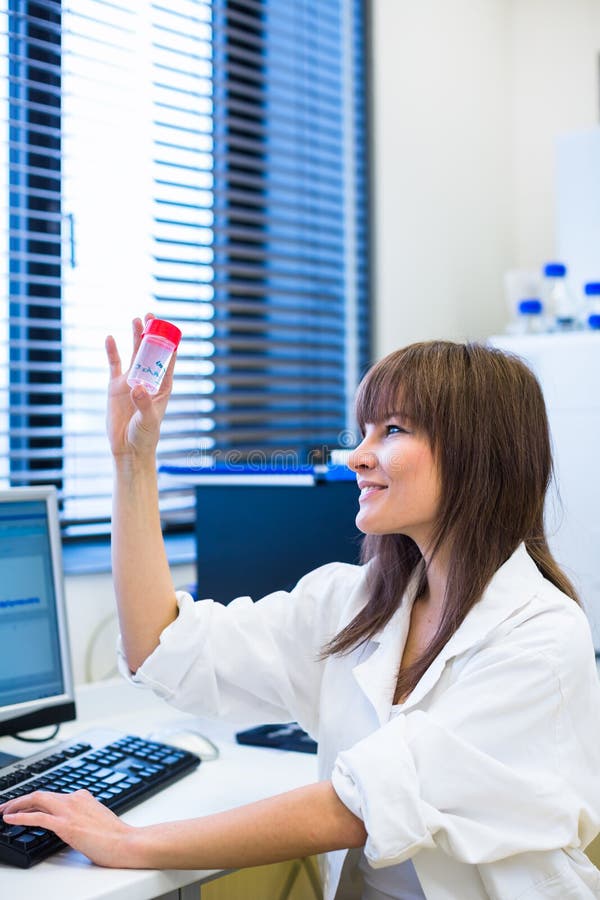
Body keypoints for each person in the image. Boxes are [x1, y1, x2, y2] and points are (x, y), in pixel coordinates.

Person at [2, 324, 600, 899]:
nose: (356, 456)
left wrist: (133, 842)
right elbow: (161, 647)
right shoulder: (354, 602)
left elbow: (358, 805)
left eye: (391, 430)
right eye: (363, 432)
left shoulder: (540, 636)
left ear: (479, 456)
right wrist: (133, 462)